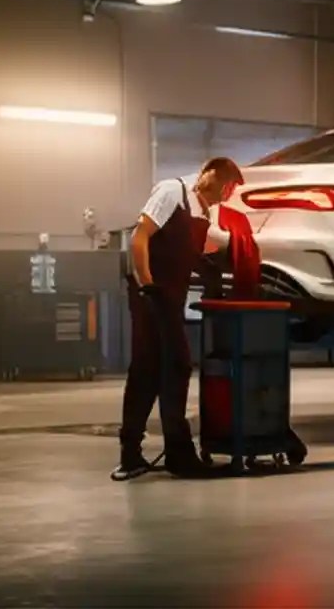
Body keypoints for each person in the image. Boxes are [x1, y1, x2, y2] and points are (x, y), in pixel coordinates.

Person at [111, 157, 243, 481]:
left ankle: (140, 454)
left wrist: (211, 272)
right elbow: (140, 237)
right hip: (151, 295)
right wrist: (147, 285)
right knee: (170, 365)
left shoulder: (204, 213)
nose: (226, 196)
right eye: (226, 187)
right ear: (210, 176)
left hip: (170, 298)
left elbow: (186, 253)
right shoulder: (173, 192)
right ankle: (173, 453)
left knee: (157, 367)